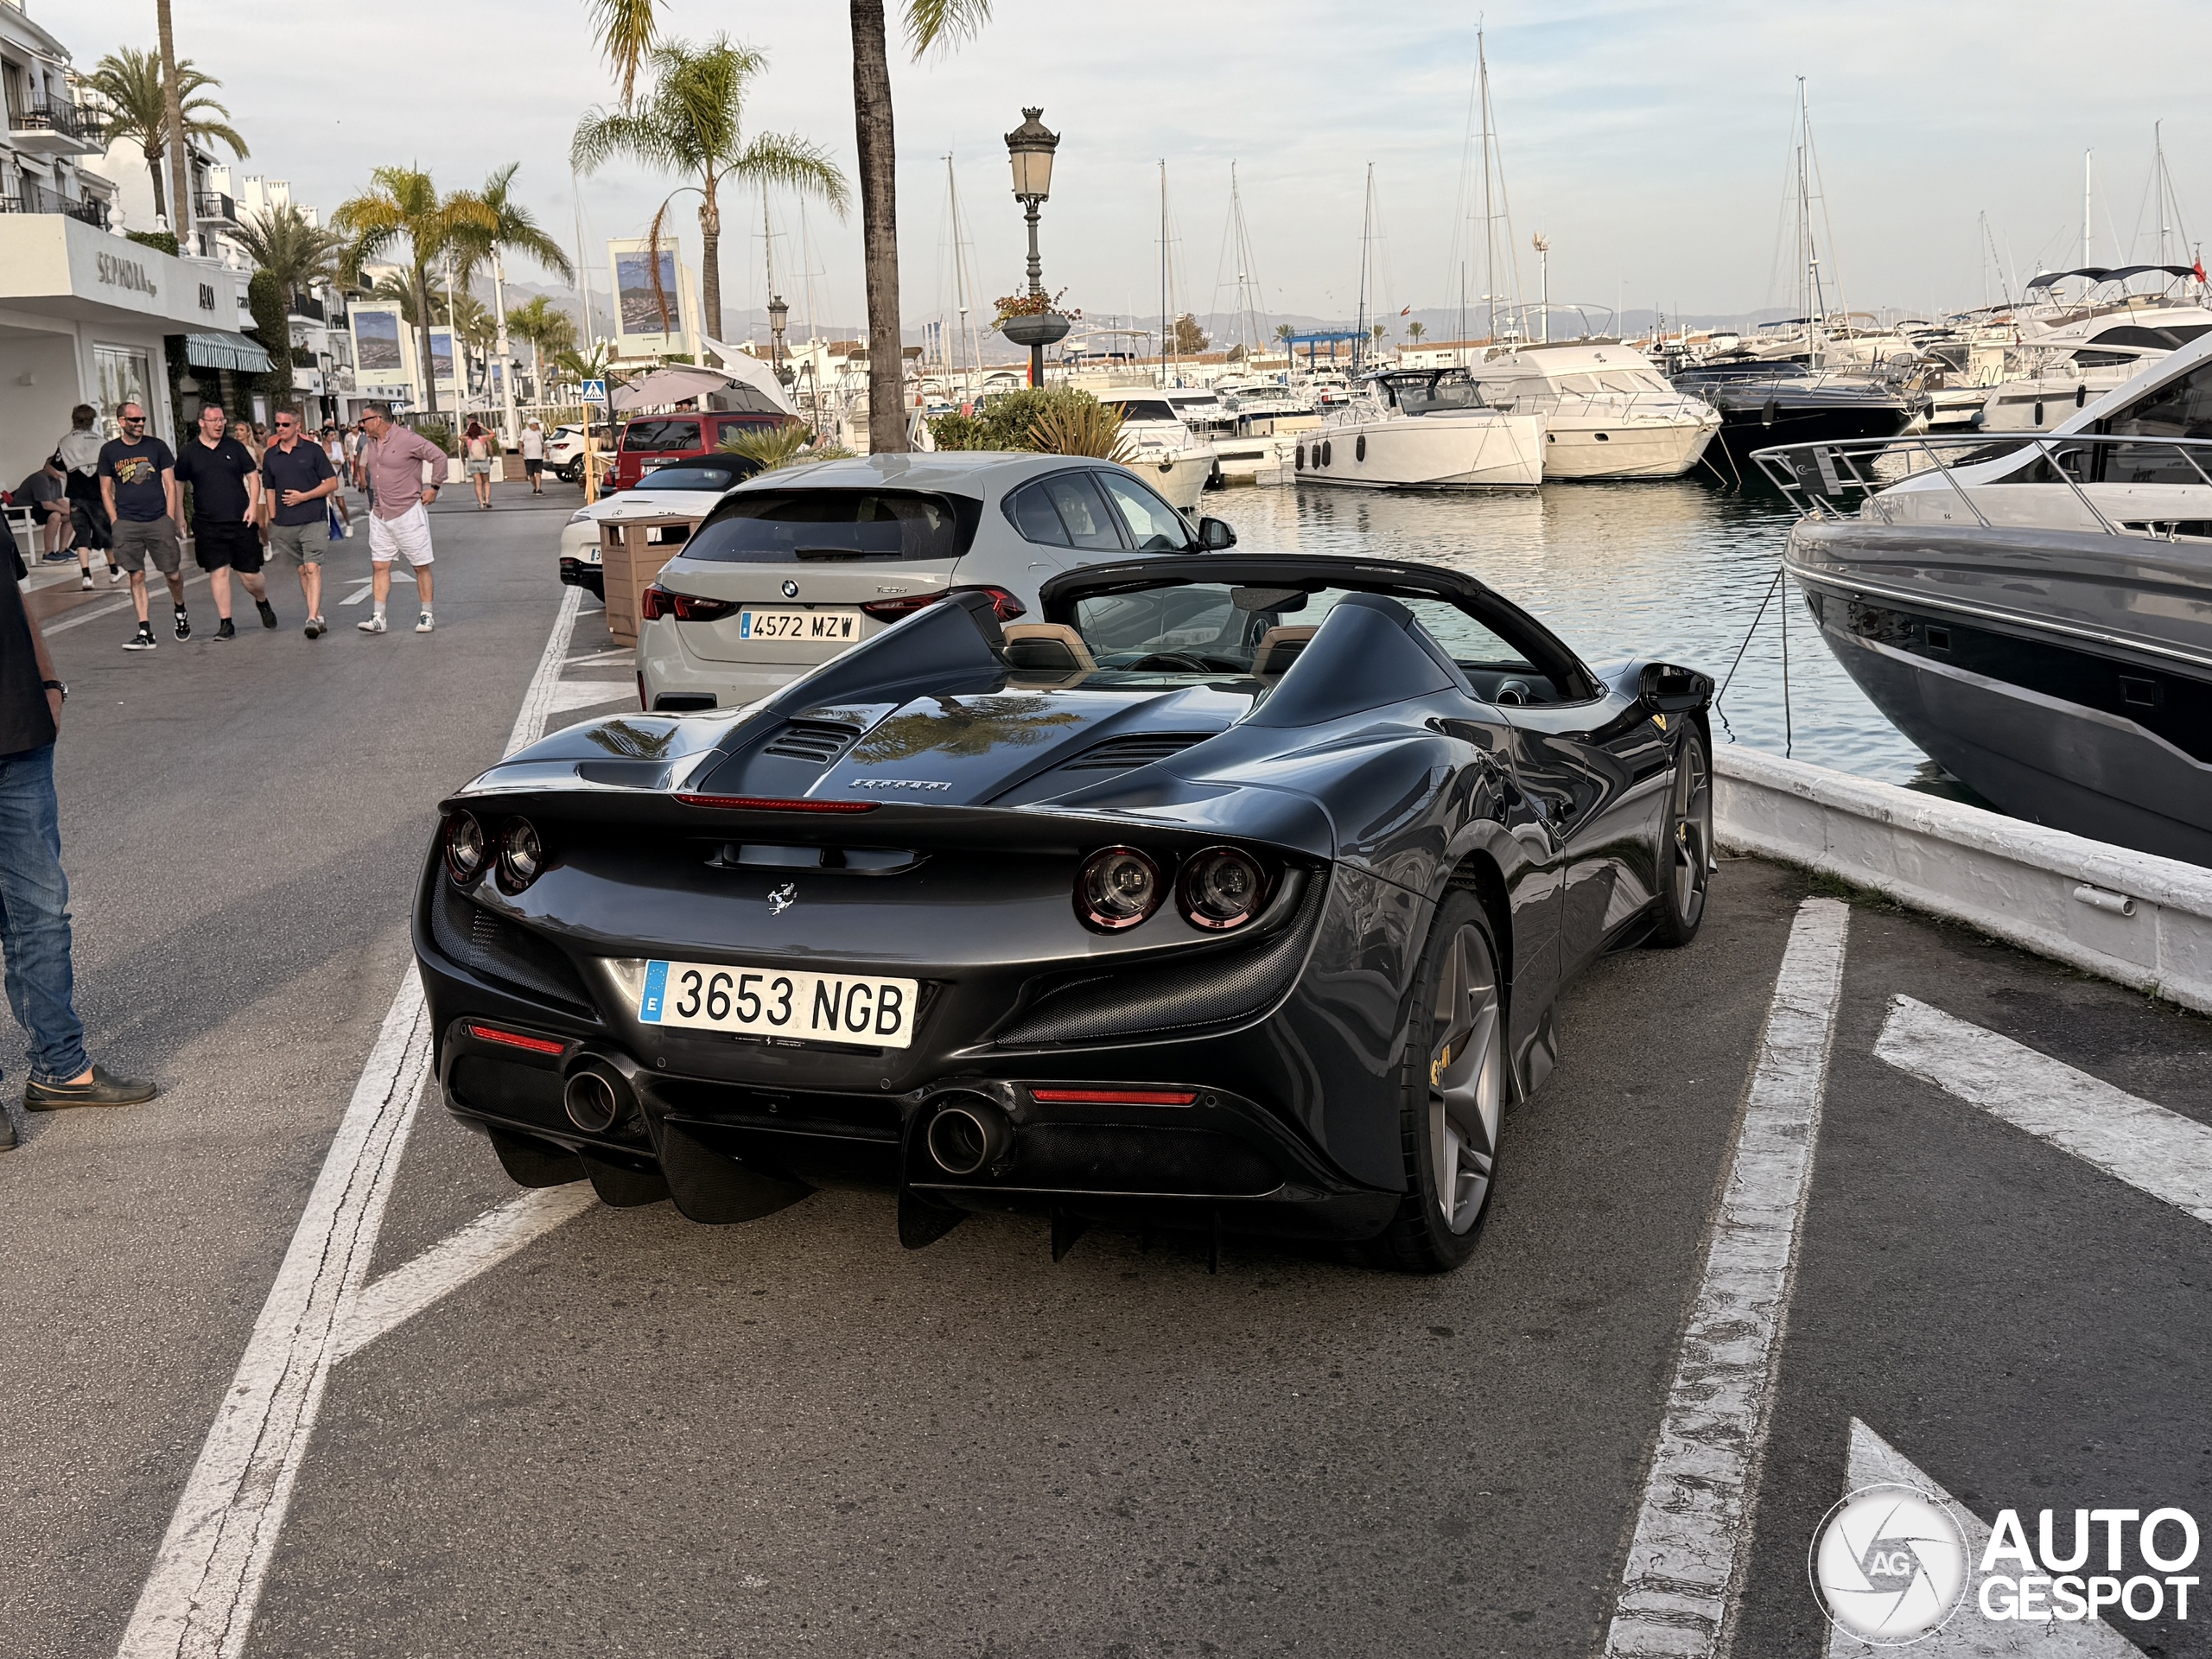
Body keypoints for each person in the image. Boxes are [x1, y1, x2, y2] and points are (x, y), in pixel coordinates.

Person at [0, 526, 157, 1148]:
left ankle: (61, 1071)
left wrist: (48, 682)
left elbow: (14, 599)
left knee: (42, 916)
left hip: (18, 734)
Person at [172, 404, 274, 639]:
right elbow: (179, 484)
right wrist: (180, 516)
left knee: (250, 577)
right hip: (207, 523)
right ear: (202, 422)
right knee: (218, 572)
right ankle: (226, 623)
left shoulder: (235, 448)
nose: (219, 424)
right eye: (214, 420)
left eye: (221, 420)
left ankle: (262, 601)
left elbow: (252, 476)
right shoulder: (189, 452)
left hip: (240, 520)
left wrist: (251, 506)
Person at [97, 402, 187, 651]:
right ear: (121, 422)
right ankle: (145, 630)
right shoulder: (109, 451)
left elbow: (170, 484)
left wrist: (170, 517)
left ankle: (180, 609)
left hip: (158, 519)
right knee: (136, 575)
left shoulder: (157, 447)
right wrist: (114, 520)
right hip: (127, 522)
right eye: (134, 420)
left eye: (142, 420)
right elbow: (105, 489)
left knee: (173, 573)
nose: (140, 424)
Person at [356, 402, 445, 635]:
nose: (361, 425)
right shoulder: (371, 444)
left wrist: (434, 487)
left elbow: (439, 456)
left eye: (364, 420)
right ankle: (379, 617)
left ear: (377, 420)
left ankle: (427, 615)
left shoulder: (408, 439)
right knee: (379, 565)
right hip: (380, 512)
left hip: (407, 512)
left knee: (420, 566)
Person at [263, 406, 340, 638]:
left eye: (286, 424)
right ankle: (316, 612)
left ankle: (312, 618)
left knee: (312, 566)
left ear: (298, 426)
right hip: (285, 524)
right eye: (277, 424)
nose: (280, 428)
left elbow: (332, 483)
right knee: (302, 570)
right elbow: (269, 489)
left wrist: (304, 496)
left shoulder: (313, 451)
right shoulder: (271, 455)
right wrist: (273, 518)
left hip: (313, 518)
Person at [56, 404, 117, 589]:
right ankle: (114, 570)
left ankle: (86, 576)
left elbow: (57, 464)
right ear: (92, 421)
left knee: (82, 534)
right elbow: (110, 469)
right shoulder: (101, 442)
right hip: (98, 494)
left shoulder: (65, 442)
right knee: (106, 531)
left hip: (76, 495)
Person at [16, 457, 73, 571]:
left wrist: (73, 511)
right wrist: (67, 511)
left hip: (38, 508)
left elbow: (59, 500)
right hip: (24, 510)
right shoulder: (40, 478)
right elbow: (47, 505)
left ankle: (62, 550)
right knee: (55, 516)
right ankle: (48, 553)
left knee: (73, 516)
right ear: (48, 466)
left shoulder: (55, 479)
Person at [320, 423, 353, 536]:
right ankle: (329, 528)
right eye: (330, 435)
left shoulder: (337, 445)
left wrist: (329, 461)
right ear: (324, 436)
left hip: (336, 475)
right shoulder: (318, 446)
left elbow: (341, 460)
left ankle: (348, 524)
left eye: (334, 435)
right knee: (329, 502)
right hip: (324, 477)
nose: (333, 437)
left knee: (341, 501)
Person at [462, 420, 496, 509]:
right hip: (483, 461)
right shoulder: (483, 438)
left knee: (478, 483)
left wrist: (467, 429)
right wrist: (483, 427)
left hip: (473, 462)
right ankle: (487, 500)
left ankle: (481, 503)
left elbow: (460, 437)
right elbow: (493, 434)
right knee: (486, 482)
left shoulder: (468, 439)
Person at [520, 418, 546, 494]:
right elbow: (520, 442)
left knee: (538, 473)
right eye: (536, 424)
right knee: (531, 477)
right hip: (528, 457)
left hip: (538, 457)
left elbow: (542, 443)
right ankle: (535, 487)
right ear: (532, 425)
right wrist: (521, 448)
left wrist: (546, 452)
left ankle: (538, 489)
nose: (538, 426)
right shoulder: (525, 432)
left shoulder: (539, 433)